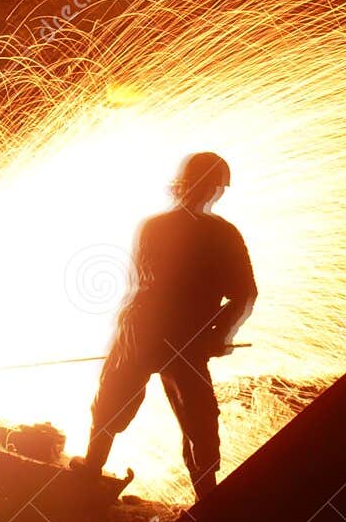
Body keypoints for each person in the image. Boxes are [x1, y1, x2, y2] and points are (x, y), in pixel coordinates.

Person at [79, 152, 256, 502]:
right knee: (197, 421)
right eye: (214, 187)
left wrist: (215, 335)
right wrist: (217, 336)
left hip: (143, 332)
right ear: (215, 189)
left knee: (114, 404)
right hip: (179, 338)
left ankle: (88, 472)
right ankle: (208, 500)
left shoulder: (154, 226)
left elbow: (140, 286)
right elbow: (244, 294)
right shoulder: (223, 233)